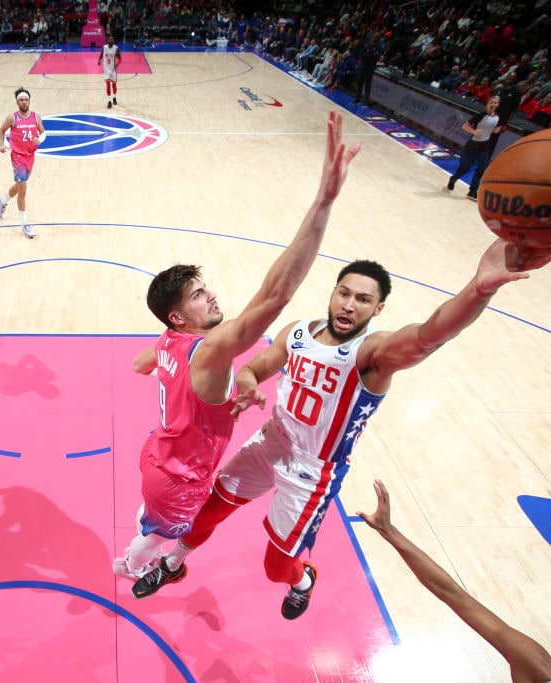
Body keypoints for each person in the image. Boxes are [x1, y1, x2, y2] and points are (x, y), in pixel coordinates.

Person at [132, 235, 551, 617]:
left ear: (379, 308)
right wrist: (249, 384)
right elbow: (256, 367)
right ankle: (173, 564)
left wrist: (479, 289)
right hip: (272, 443)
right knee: (207, 510)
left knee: (277, 569)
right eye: (344, 293)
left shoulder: (375, 354)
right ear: (333, 293)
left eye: (364, 299)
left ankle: (304, 578)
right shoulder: (299, 332)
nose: (350, 305)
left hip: (312, 471)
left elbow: (431, 334)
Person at [112, 111, 361, 584]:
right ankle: (130, 563)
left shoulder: (170, 339)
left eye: (206, 288)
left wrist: (198, 395)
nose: (212, 296)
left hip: (158, 456)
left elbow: (141, 364)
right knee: (162, 532)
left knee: (161, 513)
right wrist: (323, 203)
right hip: (180, 477)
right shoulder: (208, 350)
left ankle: (149, 526)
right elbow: (276, 295)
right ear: (179, 317)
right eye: (198, 296)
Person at [358, 480, 551, 683]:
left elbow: (454, 595)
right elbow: (453, 594)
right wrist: (390, 532)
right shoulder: (537, 667)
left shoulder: (536, 662)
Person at [0, 87, 45, 239]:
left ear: (29, 101)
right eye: (21, 100)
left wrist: (39, 140)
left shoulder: (36, 117)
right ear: (17, 102)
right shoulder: (12, 118)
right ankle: (24, 224)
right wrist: (2, 145)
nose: (24, 102)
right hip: (17, 156)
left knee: (19, 186)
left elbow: (43, 132)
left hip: (30, 155)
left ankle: (2, 201)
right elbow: (1, 131)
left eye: (26, 99)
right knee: (23, 189)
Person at [447, 95, 503, 200]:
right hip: (472, 145)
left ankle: (473, 190)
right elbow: (464, 126)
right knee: (465, 167)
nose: (493, 104)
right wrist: (473, 131)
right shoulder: (481, 115)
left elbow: (491, 129)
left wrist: (496, 130)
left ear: (498, 104)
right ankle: (453, 179)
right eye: (492, 102)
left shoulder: (497, 117)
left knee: (482, 169)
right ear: (488, 103)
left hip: (484, 146)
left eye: (495, 103)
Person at [98, 34, 122, 108]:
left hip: (113, 69)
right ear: (107, 40)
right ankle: (109, 101)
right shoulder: (104, 47)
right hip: (106, 69)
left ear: (113, 41)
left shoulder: (116, 49)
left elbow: (120, 59)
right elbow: (101, 55)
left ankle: (114, 97)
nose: (110, 40)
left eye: (112, 39)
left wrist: (116, 64)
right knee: (108, 85)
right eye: (109, 39)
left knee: (114, 85)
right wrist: (99, 60)